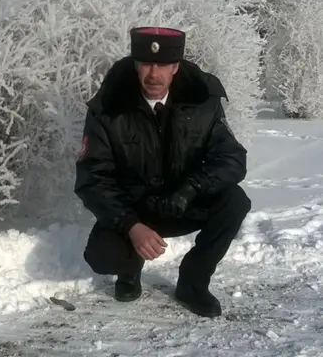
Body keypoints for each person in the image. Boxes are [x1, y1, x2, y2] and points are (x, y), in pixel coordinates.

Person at [75, 26, 251, 318]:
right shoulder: (108, 107)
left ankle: (193, 283)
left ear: (176, 67)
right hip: (133, 210)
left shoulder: (202, 101)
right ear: (136, 65)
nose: (153, 74)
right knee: (102, 257)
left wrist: (192, 188)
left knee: (235, 201)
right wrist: (131, 226)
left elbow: (232, 158)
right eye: (146, 64)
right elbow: (92, 177)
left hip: (182, 202)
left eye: (163, 65)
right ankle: (130, 270)